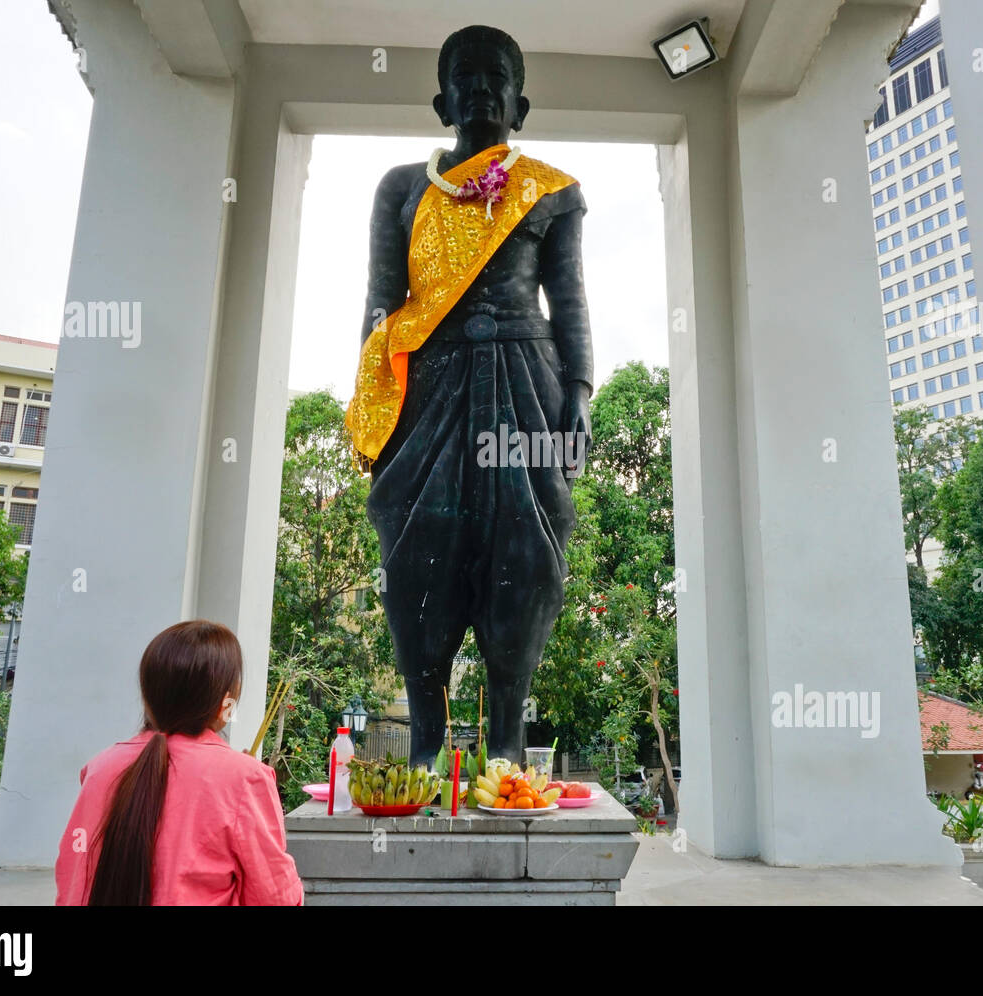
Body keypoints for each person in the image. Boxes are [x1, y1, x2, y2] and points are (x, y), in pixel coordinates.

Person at [344, 24, 593, 763]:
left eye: (497, 78)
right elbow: (380, 305)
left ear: (521, 105)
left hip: (527, 379)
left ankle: (508, 744)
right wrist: (374, 407)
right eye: (466, 77)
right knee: (419, 541)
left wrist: (578, 392)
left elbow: (569, 300)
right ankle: (424, 741)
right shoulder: (402, 187)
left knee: (527, 544)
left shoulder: (551, 191)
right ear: (440, 100)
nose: (481, 88)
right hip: (430, 383)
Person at [54, 620, 303, 906]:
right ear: (226, 703)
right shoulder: (246, 779)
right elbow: (274, 897)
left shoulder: (100, 768)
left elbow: (73, 880)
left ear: (148, 698)